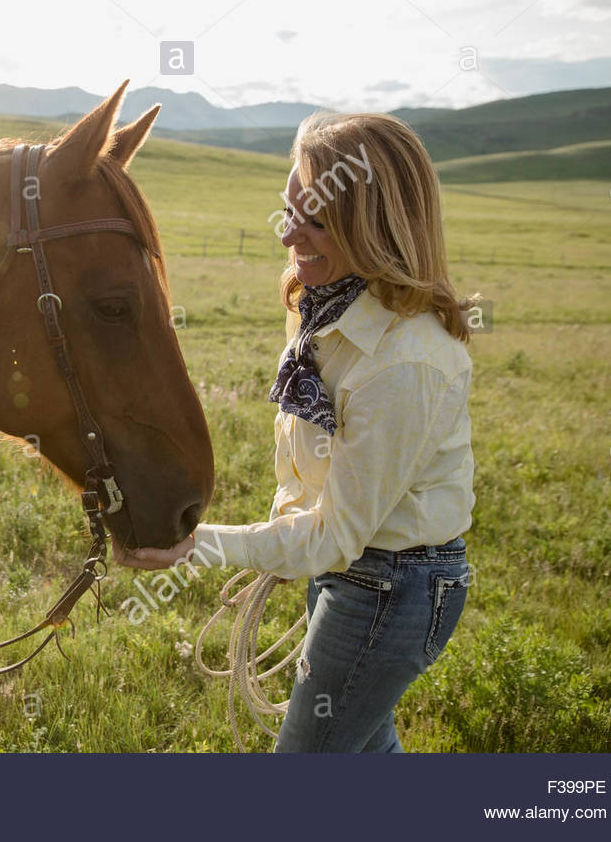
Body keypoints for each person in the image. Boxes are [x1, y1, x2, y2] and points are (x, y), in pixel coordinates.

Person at [115, 111, 476, 752]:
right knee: (363, 751)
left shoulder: (405, 361)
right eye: (289, 211)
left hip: (391, 587)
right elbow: (317, 484)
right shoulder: (322, 310)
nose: (289, 235)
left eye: (314, 221)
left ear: (374, 226)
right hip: (355, 573)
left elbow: (337, 533)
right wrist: (289, 540)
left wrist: (196, 546)